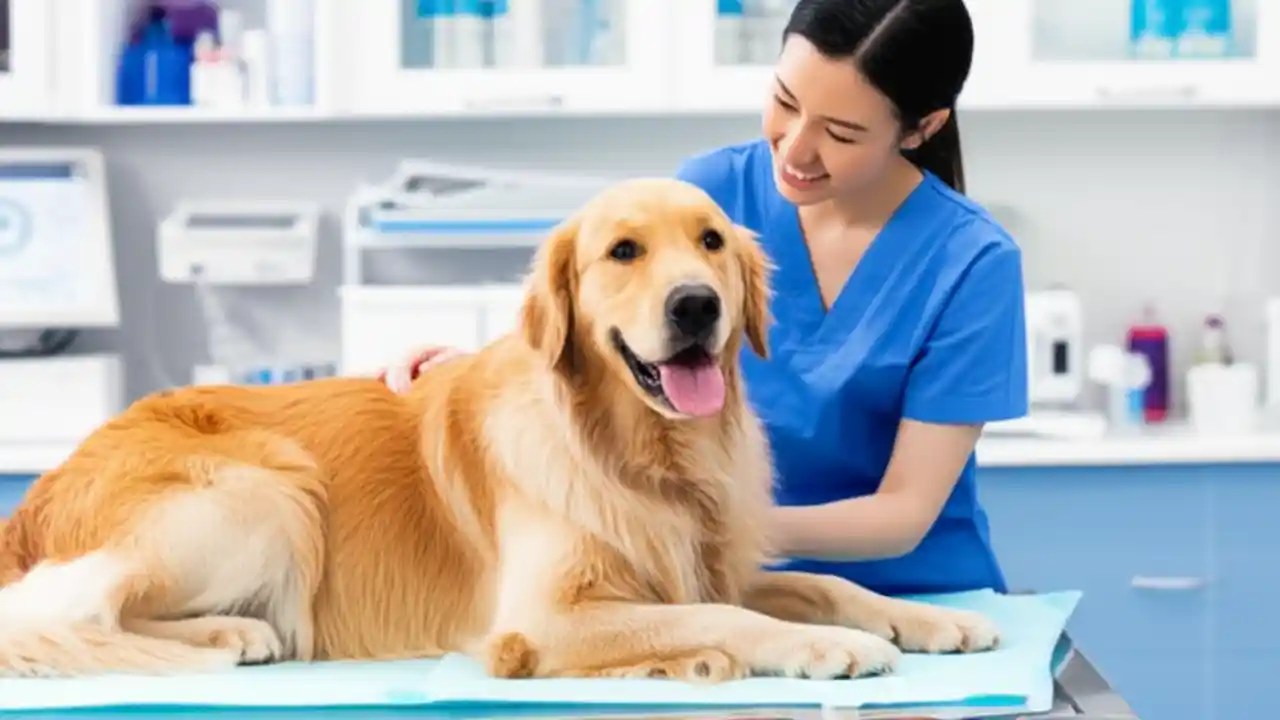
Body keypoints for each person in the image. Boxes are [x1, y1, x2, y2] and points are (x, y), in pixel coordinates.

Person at [379, 0, 1027, 597]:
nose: (796, 148)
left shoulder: (970, 262)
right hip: (721, 595)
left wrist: (704, 527)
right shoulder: (707, 195)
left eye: (843, 132)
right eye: (784, 100)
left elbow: (902, 516)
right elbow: (605, 337)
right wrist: (469, 376)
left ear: (921, 128)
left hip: (920, 605)